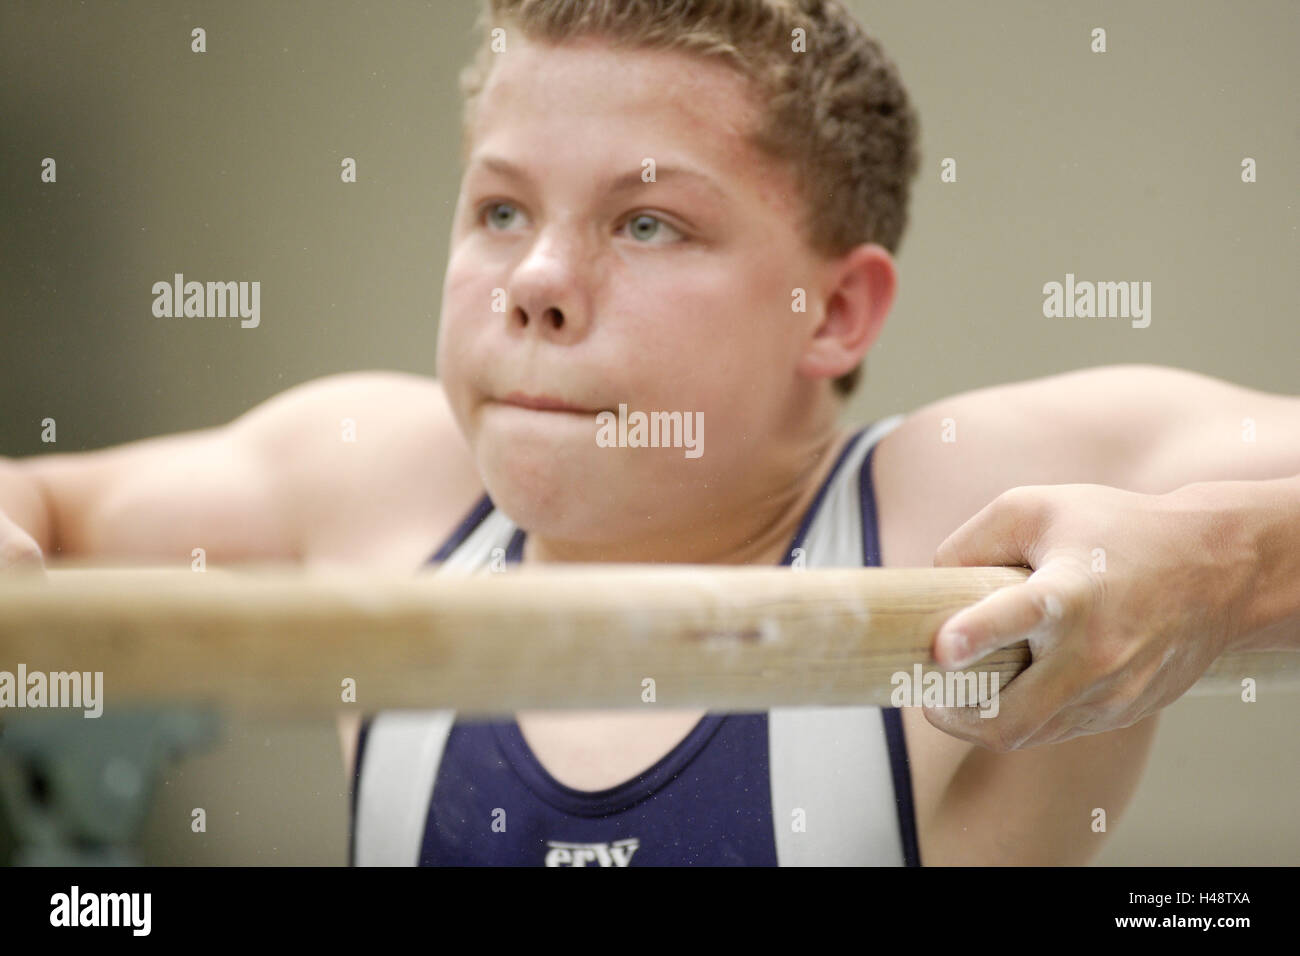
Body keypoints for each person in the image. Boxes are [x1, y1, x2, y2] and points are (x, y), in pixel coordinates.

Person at [1, 0, 1296, 865]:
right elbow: (33, 503)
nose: (535, 282)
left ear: (833, 309)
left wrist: (1228, 565)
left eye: (646, 223)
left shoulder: (957, 504)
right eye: (501, 212)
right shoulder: (370, 481)